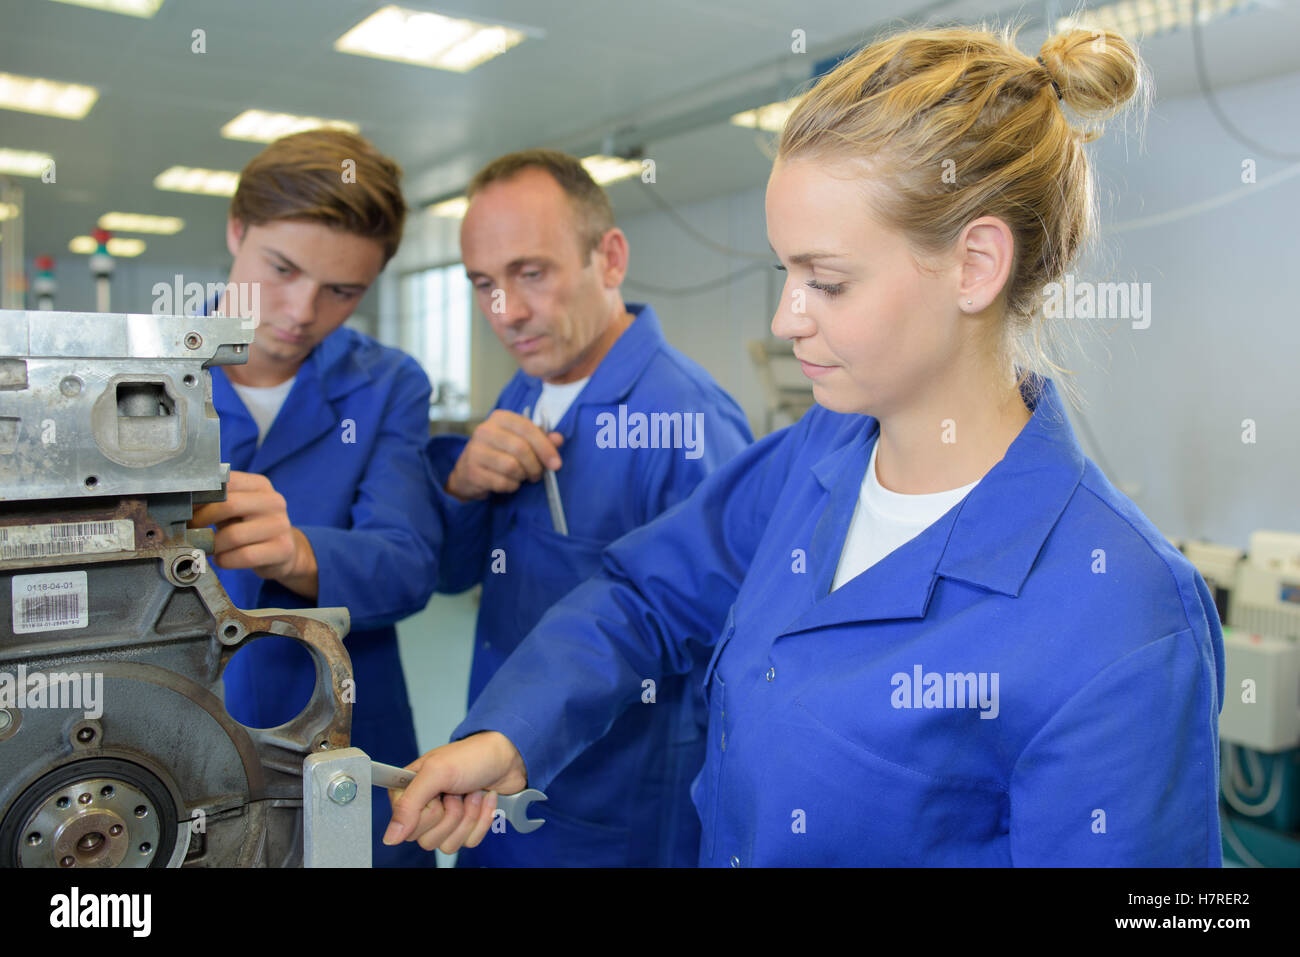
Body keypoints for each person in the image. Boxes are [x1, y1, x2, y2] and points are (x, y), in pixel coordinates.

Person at [386, 26, 1225, 866]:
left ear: (974, 265)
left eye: (826, 281)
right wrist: (513, 731)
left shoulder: (1122, 613)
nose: (786, 319)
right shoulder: (821, 451)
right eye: (785, 275)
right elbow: (643, 594)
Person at [423, 149, 753, 866]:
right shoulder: (523, 393)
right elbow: (451, 579)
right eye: (484, 284)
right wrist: (463, 490)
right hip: (496, 775)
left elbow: (724, 651)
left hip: (612, 811)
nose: (504, 312)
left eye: (530, 273)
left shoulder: (687, 424)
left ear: (609, 258)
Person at [193, 129, 440, 867]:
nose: (301, 311)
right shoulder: (144, 371)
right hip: (183, 723)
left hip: (344, 734)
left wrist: (301, 552)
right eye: (281, 268)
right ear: (238, 229)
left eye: (342, 291)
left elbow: (407, 564)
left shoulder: (389, 383)